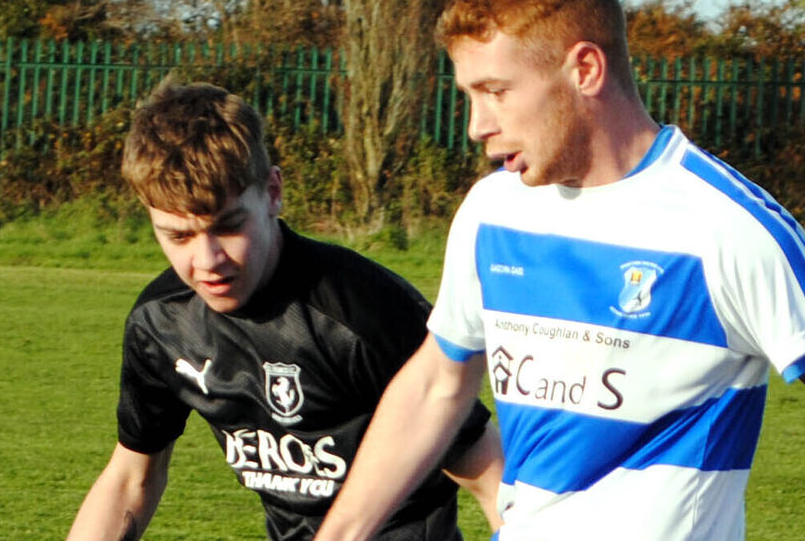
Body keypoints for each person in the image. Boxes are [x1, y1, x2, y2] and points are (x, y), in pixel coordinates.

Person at [314, 0, 805, 541]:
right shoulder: (492, 212)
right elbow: (437, 386)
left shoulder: (725, 227)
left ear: (585, 69)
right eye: (470, 96)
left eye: (497, 92)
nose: (478, 125)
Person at [65, 82, 503, 541]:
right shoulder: (161, 324)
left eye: (229, 226)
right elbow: (131, 480)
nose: (207, 260)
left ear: (272, 192)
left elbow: (490, 477)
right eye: (178, 236)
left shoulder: (361, 313)